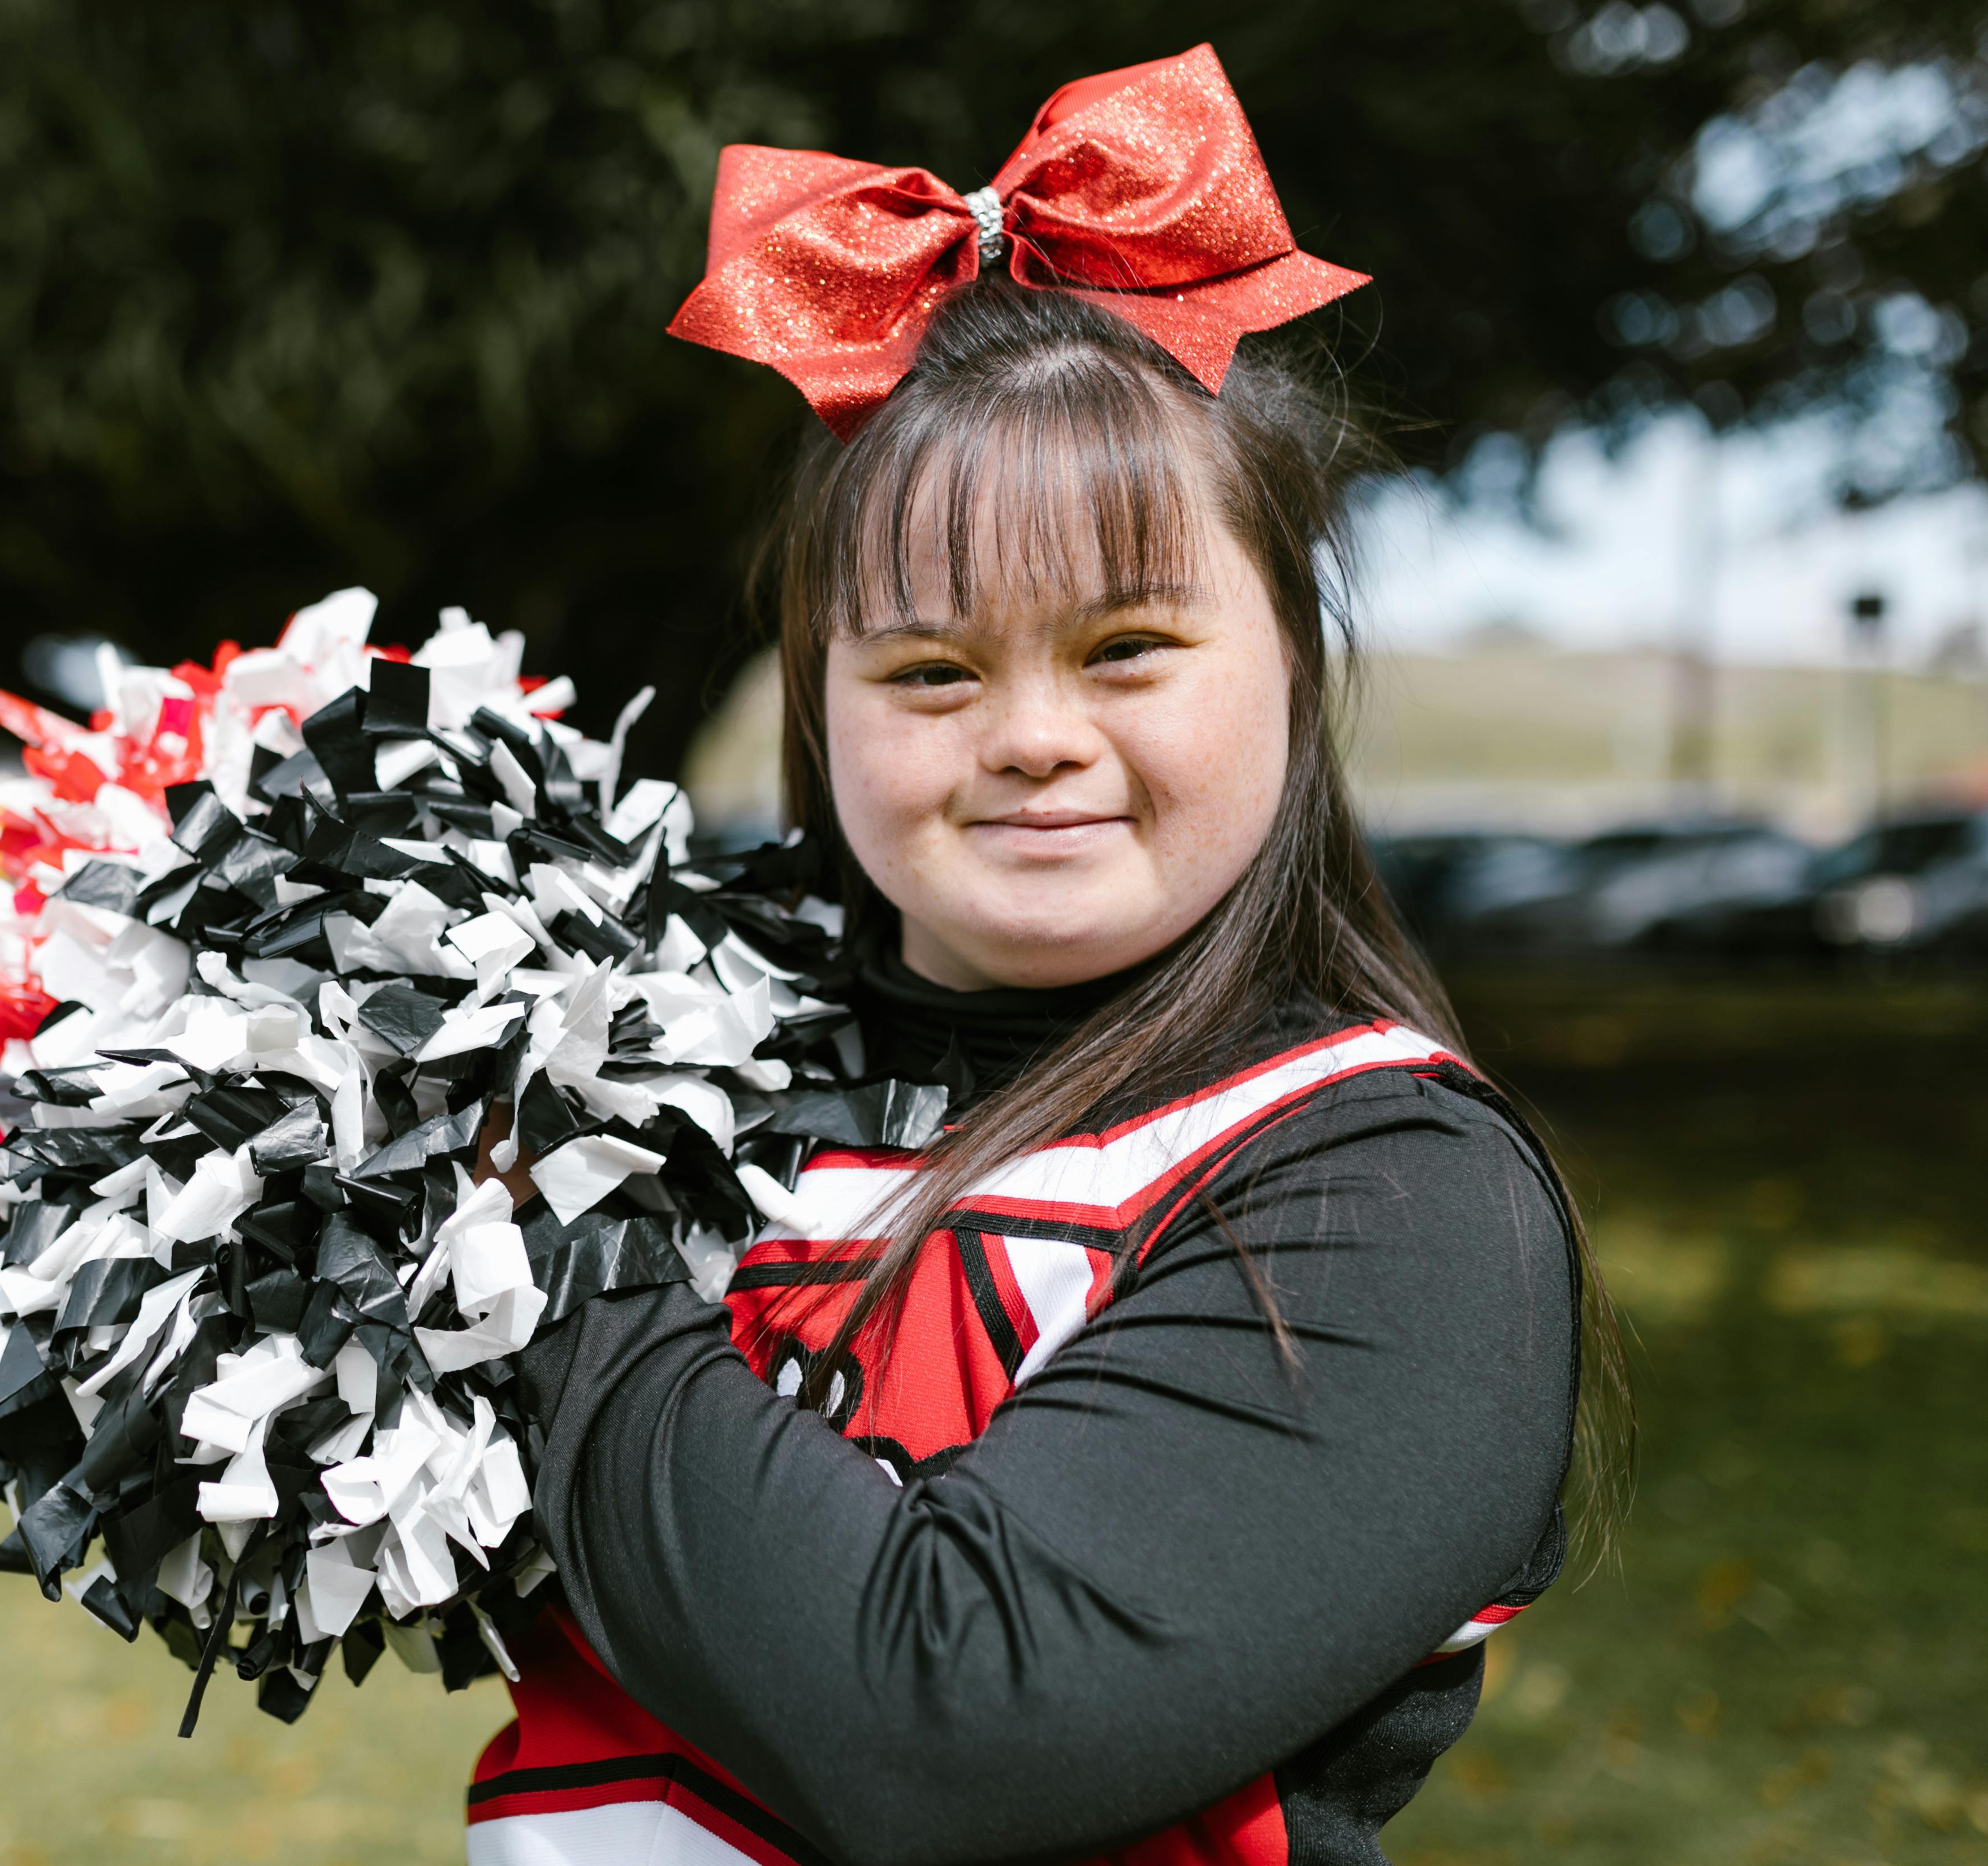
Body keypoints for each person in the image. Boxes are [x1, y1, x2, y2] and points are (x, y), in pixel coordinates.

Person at [463, 46, 1624, 1866]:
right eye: (930, 670)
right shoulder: (682, 1070)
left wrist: (514, 1242)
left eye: (1128, 647)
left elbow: (945, 1727)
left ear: (1294, 674)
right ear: (819, 708)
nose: (1030, 736)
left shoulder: (1390, 1189)